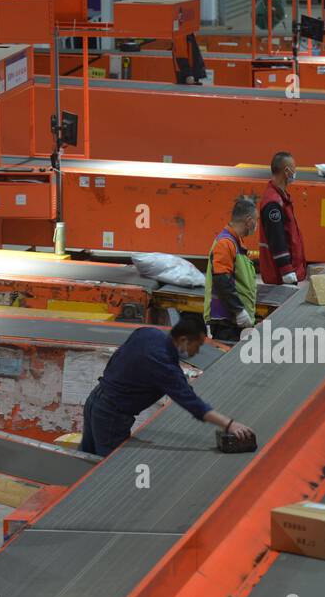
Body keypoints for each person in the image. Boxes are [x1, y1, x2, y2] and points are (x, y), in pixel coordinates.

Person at [79, 314, 256, 456]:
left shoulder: (148, 333)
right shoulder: (164, 366)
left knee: (85, 462)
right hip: (111, 417)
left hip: (95, 400)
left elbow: (119, 357)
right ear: (185, 340)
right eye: (198, 344)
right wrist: (229, 424)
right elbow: (193, 404)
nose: (198, 351)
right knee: (107, 472)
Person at [205, 196, 259, 342]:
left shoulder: (236, 243)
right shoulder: (225, 244)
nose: (256, 224)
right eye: (256, 220)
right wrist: (239, 311)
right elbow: (222, 280)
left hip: (233, 322)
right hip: (226, 323)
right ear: (249, 221)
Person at [258, 151, 307, 286]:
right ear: (287, 171)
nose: (295, 172)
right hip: (279, 275)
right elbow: (276, 238)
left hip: (284, 273)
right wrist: (286, 270)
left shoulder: (281, 198)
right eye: (294, 168)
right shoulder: (273, 202)